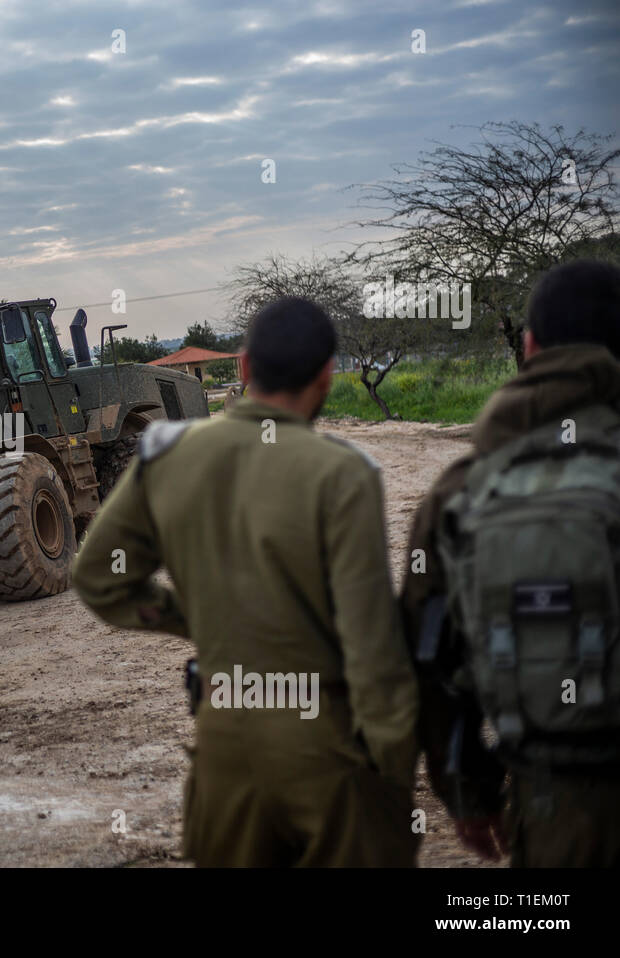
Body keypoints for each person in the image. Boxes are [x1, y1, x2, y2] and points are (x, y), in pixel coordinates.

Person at [72, 296, 419, 866]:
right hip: (324, 748)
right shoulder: (342, 473)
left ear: (243, 369)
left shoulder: (168, 455)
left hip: (225, 746)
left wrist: (197, 620)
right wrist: (391, 768)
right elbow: (373, 646)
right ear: (326, 375)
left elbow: (98, 577)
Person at [401, 258, 620, 866]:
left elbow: (430, 660)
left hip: (555, 809)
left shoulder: (459, 492)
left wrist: (468, 793)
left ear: (528, 347)